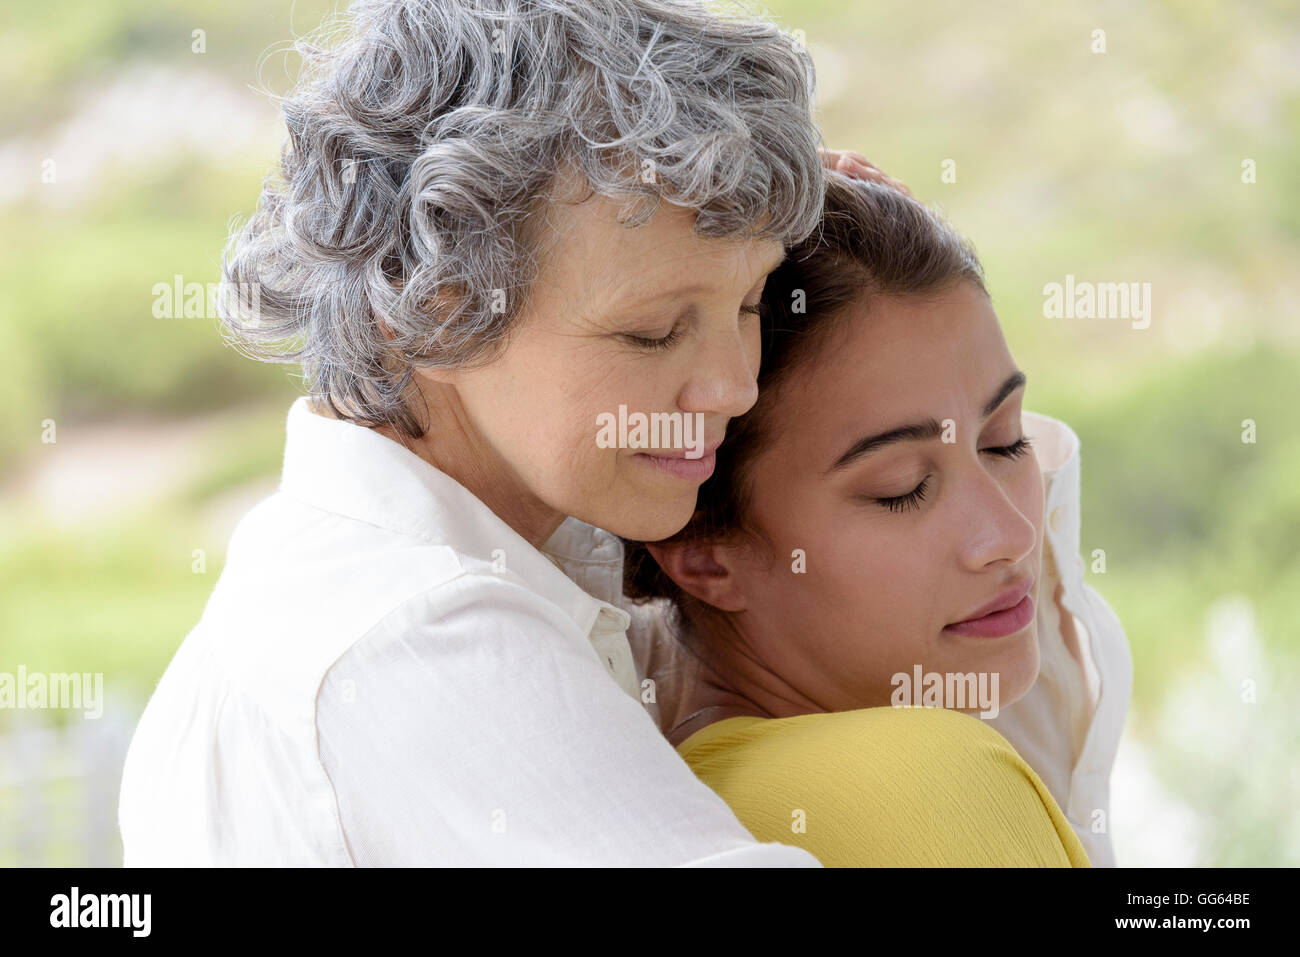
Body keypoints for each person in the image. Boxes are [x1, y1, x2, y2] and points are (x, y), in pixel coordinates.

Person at [623, 171, 1133, 866]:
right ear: (705, 551)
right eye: (902, 488)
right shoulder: (928, 784)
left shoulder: (697, 785)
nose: (1013, 535)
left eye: (1006, 439)